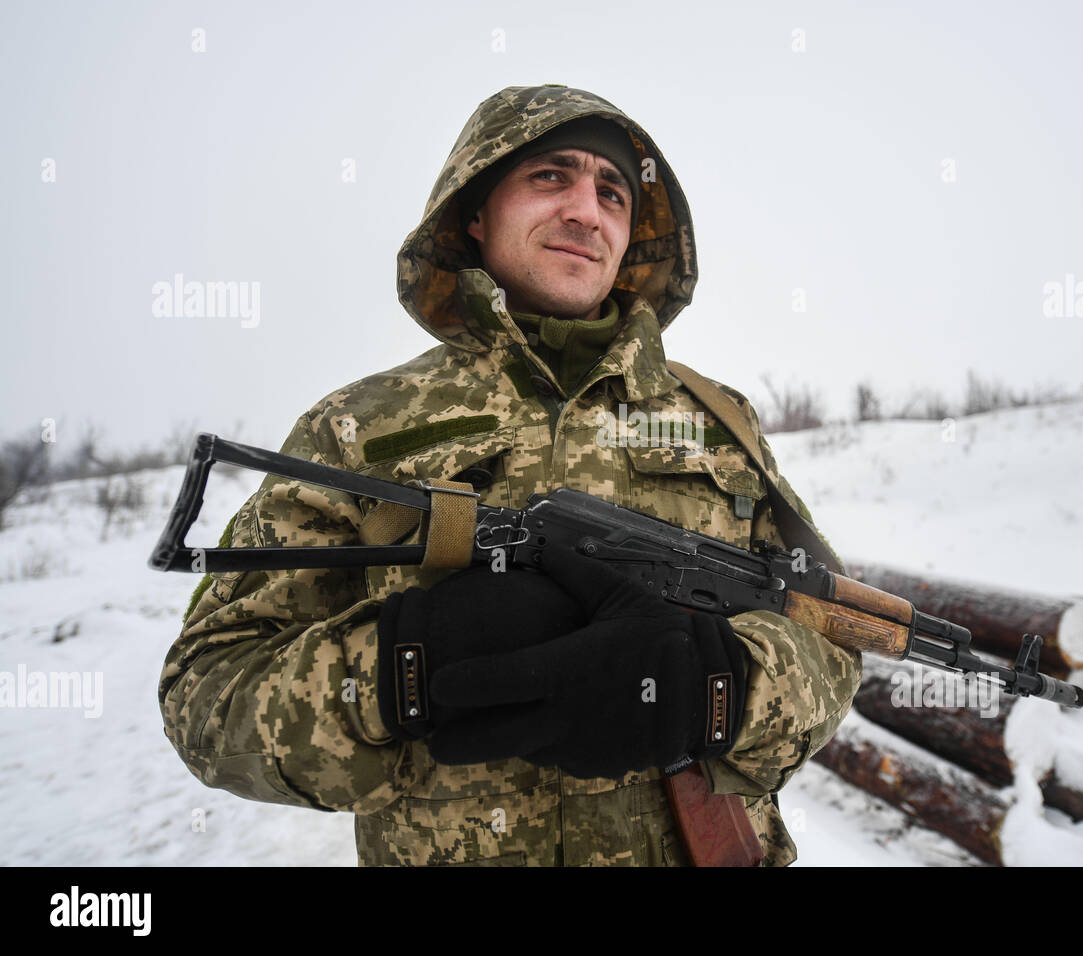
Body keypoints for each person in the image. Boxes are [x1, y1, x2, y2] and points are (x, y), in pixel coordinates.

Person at [159, 84, 863, 866]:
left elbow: (832, 635)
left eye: (613, 193)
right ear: (473, 210)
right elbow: (207, 696)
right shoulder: (360, 427)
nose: (586, 212)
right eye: (550, 177)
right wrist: (398, 671)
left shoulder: (720, 419)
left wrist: (723, 693)